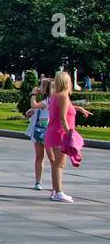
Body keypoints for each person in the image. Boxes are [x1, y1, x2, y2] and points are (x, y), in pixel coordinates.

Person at [44, 71, 91, 203]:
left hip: (52, 133)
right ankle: (59, 192)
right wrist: (70, 134)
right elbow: (63, 118)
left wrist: (78, 108)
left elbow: (63, 109)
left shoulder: (54, 96)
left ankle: (55, 191)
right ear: (67, 82)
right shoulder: (64, 97)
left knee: (55, 164)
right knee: (59, 164)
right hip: (60, 134)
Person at [24, 78, 52, 190]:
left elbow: (35, 104)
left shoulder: (50, 100)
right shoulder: (46, 100)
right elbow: (37, 108)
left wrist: (33, 94)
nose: (39, 88)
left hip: (48, 130)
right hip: (40, 130)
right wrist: (32, 111)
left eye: (41, 86)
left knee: (52, 158)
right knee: (39, 156)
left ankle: (55, 182)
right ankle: (38, 181)